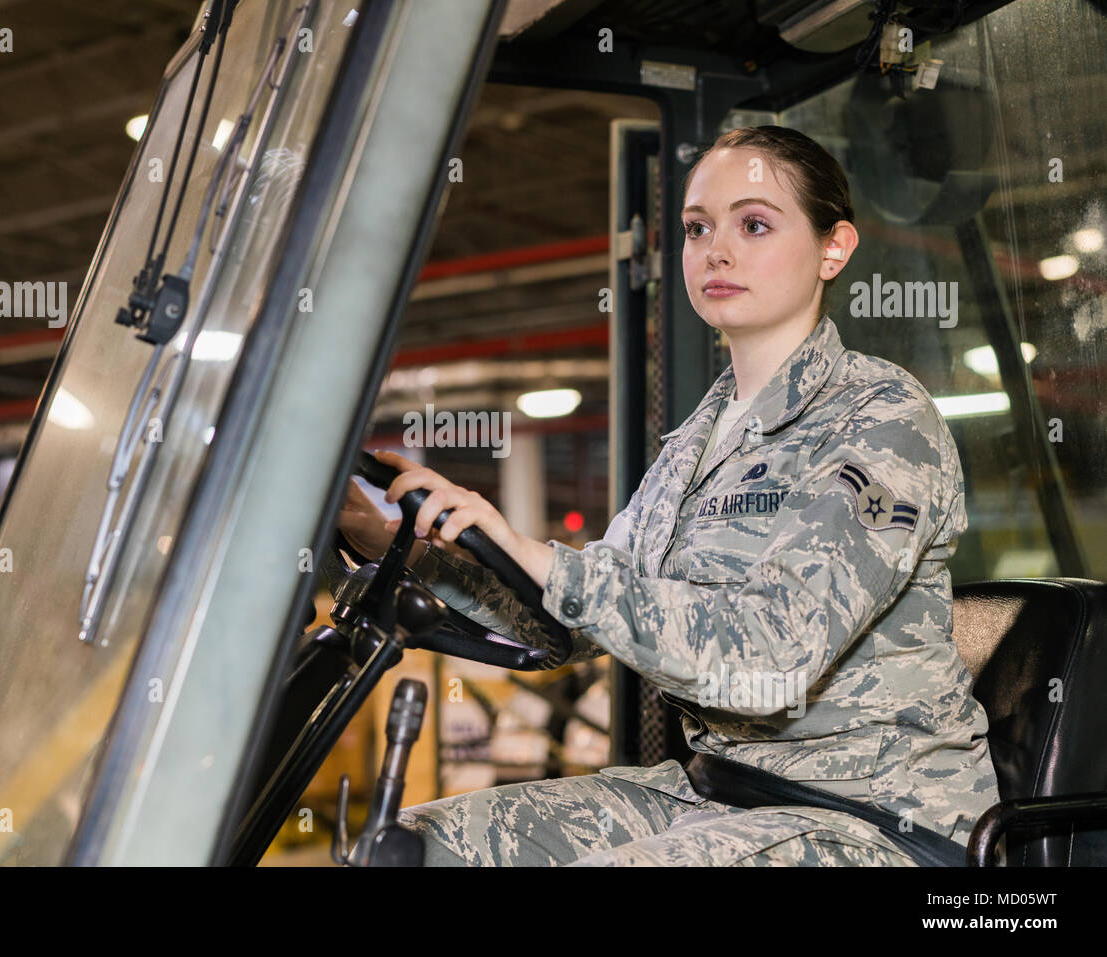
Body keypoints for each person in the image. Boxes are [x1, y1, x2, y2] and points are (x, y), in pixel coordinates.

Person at [337, 125, 1000, 866]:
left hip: (881, 818)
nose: (716, 250)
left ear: (834, 248)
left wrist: (542, 556)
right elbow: (568, 626)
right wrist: (406, 549)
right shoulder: (695, 443)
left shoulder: (882, 418)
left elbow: (774, 656)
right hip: (717, 793)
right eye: (696, 228)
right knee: (414, 847)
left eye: (753, 224)